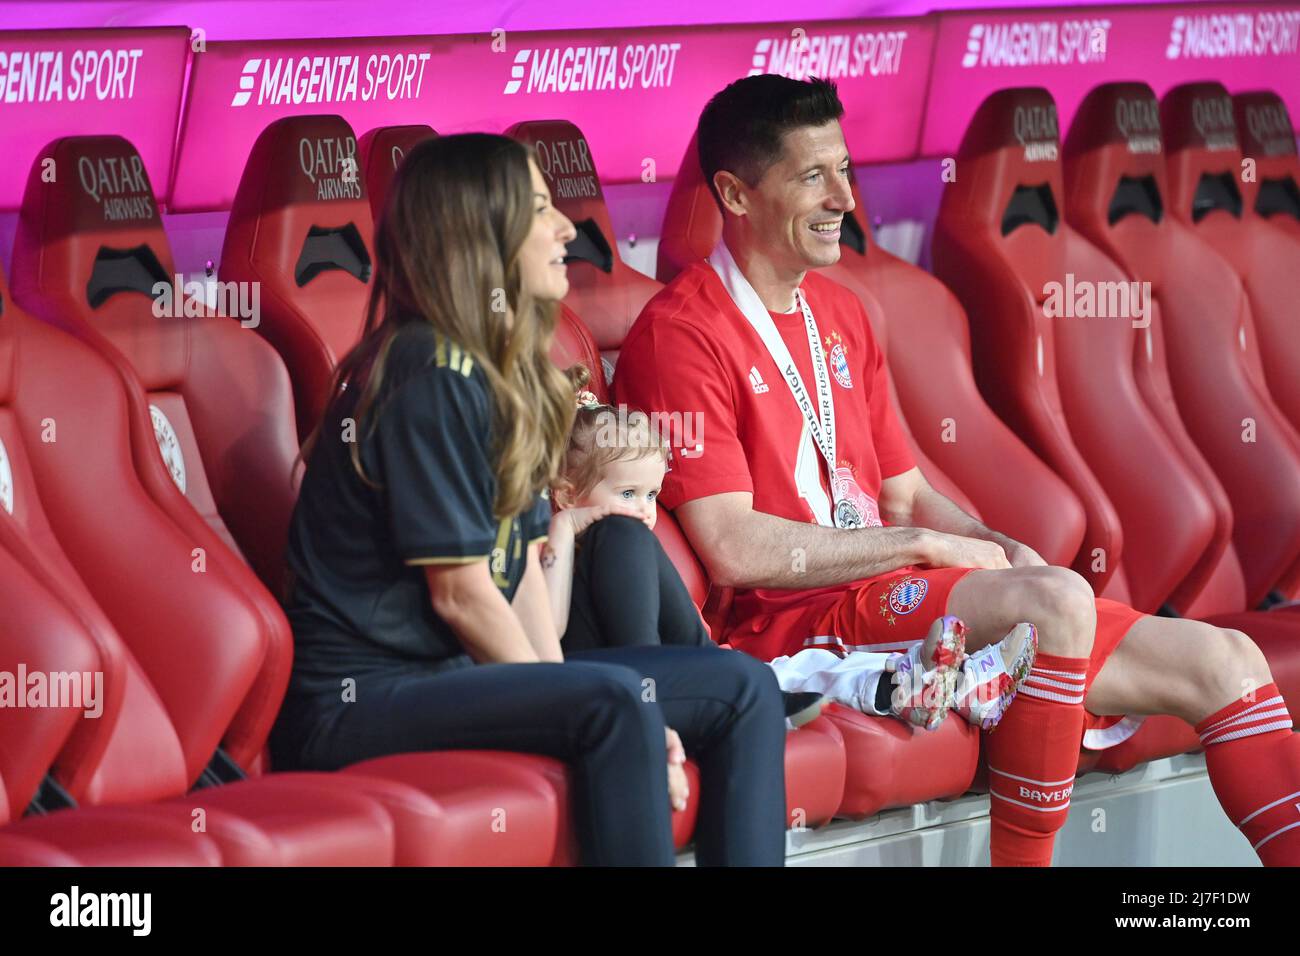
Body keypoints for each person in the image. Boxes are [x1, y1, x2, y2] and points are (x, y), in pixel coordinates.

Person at [614, 74, 1300, 866]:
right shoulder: (682, 333)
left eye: (846, 170)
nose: (844, 196)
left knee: (1228, 662)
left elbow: (905, 491)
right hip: (793, 622)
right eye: (813, 176)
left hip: (891, 597)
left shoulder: (839, 311)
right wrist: (924, 549)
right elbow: (732, 546)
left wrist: (993, 545)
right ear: (735, 194)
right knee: (1052, 606)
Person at [269, 132, 787, 866]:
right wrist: (584, 702)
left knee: (742, 686)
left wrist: (576, 694)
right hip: (359, 702)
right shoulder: (430, 372)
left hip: (456, 679)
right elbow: (463, 596)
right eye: (539, 209)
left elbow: (514, 587)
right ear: (484, 235)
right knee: (614, 705)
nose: (567, 229)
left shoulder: (496, 372)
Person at [546, 376, 1036, 732]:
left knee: (812, 669)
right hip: (654, 684)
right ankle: (925, 686)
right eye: (628, 494)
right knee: (797, 672)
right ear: (567, 493)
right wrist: (564, 531)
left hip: (707, 668)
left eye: (652, 496)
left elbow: (687, 634)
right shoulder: (571, 544)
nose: (646, 512)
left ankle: (939, 685)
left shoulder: (635, 547)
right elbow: (548, 635)